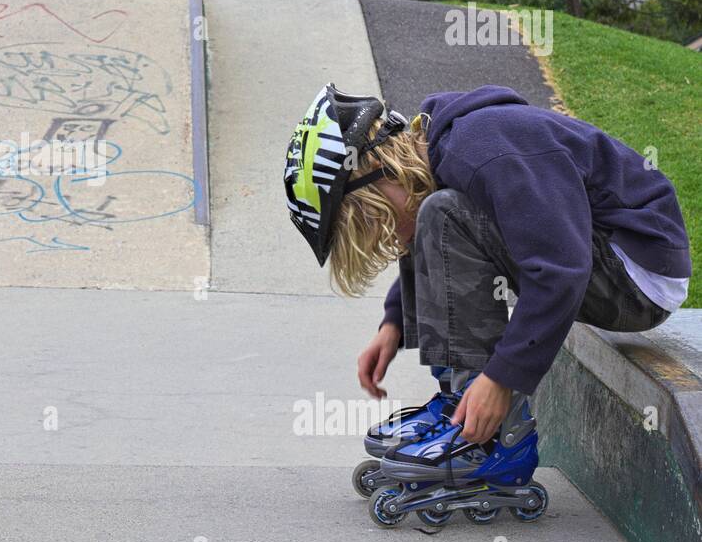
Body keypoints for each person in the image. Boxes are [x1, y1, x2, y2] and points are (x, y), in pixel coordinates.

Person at [284, 84, 690, 445]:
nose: (389, 238)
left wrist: (501, 378)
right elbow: (439, 244)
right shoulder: (449, 150)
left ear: (380, 169)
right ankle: (456, 403)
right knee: (439, 212)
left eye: (377, 222)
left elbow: (562, 269)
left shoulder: (486, 149)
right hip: (606, 259)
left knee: (443, 212)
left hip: (637, 276)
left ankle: (485, 430)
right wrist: (394, 323)